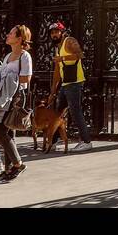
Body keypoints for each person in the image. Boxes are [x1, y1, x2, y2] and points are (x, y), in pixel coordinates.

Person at [0, 25, 33, 184]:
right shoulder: (8, 55)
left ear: (19, 38)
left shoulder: (25, 56)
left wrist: (10, 78)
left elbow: (26, 79)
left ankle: (18, 164)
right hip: (4, 96)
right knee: (7, 133)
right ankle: (8, 170)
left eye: (11, 33)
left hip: (15, 97)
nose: (7, 35)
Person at [48, 21, 92, 150]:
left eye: (56, 32)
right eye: (52, 33)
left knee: (75, 112)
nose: (54, 35)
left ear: (62, 32)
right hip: (66, 83)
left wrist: (62, 59)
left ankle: (86, 141)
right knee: (58, 112)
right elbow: (57, 71)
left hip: (75, 82)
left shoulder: (69, 41)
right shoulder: (58, 47)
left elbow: (80, 54)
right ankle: (53, 142)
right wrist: (52, 91)